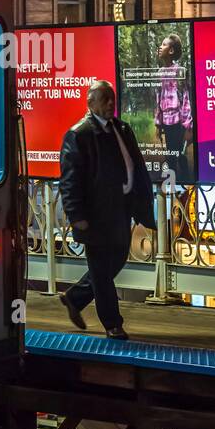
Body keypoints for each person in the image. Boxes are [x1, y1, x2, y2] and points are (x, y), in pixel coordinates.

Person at [58, 79, 155, 340]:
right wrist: (76, 216)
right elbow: (70, 181)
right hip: (95, 215)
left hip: (121, 210)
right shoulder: (79, 134)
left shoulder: (122, 128)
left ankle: (74, 298)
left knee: (117, 259)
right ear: (90, 103)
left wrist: (142, 205)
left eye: (112, 98)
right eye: (104, 99)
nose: (111, 103)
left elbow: (135, 166)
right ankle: (113, 324)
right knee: (101, 270)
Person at [154, 34, 193, 183]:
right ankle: (171, 187)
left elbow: (186, 99)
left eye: (164, 45)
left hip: (179, 123)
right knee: (170, 156)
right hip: (166, 123)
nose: (160, 48)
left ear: (171, 51)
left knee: (180, 155)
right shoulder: (159, 73)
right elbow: (158, 98)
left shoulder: (180, 71)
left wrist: (188, 127)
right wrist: (158, 123)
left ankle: (186, 184)